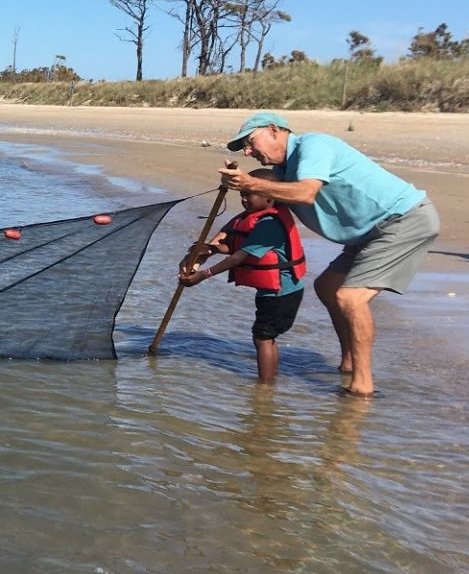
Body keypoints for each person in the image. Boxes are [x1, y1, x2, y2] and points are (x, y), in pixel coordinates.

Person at [220, 111, 440, 397]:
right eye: (243, 149)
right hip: (367, 235)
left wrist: (250, 183)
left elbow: (306, 193)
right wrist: (212, 245)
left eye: (249, 142)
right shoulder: (283, 172)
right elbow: (265, 209)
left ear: (274, 130)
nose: (248, 151)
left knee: (350, 297)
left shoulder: (314, 146)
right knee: (327, 287)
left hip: (403, 219)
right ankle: (349, 362)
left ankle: (362, 386)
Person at [177, 171, 307, 383]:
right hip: (274, 292)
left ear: (268, 196)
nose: (244, 200)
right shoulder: (258, 217)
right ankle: (270, 381)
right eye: (242, 195)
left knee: (262, 336)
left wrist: (203, 275)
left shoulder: (269, 225)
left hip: (282, 293)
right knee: (266, 335)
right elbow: (232, 244)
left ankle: (264, 389)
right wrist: (210, 249)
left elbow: (239, 256)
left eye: (249, 195)